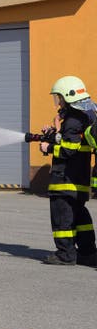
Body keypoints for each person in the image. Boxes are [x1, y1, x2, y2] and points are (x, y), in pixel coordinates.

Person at [40, 75, 97, 266]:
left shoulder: (73, 118)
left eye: (59, 97)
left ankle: (65, 254)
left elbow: (68, 149)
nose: (58, 102)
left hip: (65, 177)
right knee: (79, 214)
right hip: (79, 178)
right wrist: (54, 133)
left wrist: (48, 148)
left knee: (61, 215)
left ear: (68, 96)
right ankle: (88, 252)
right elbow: (71, 141)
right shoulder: (87, 114)